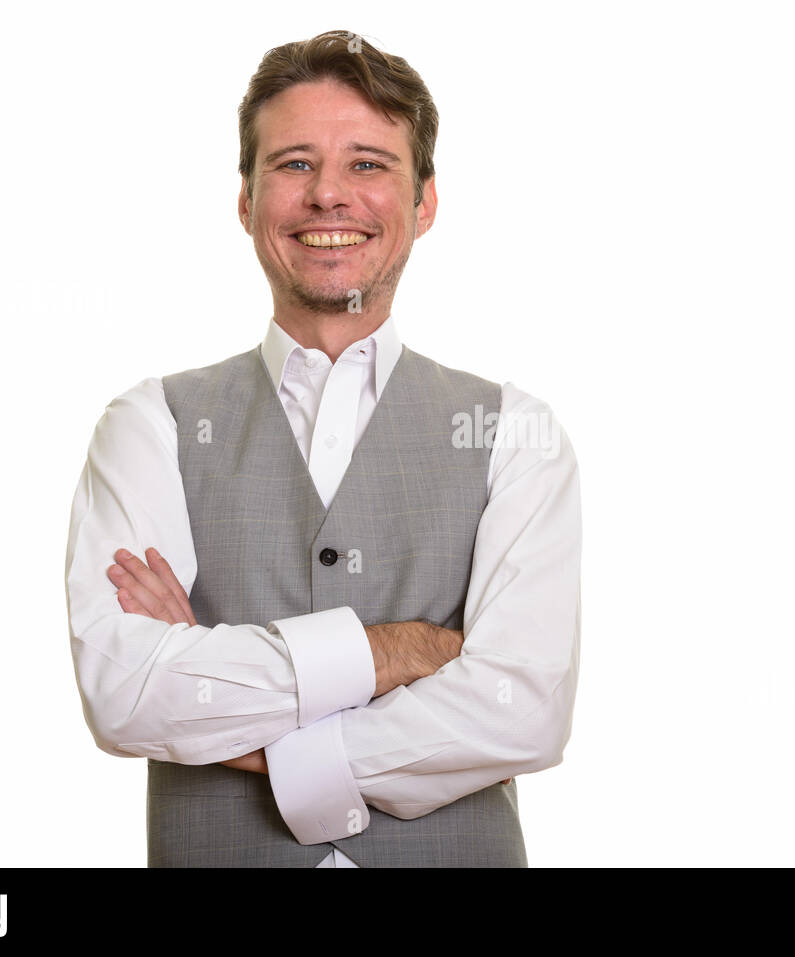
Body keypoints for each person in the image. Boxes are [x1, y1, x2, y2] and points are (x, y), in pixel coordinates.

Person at [63, 30, 582, 867]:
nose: (329, 196)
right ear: (246, 199)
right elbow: (128, 693)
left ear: (425, 203)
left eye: (369, 164)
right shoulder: (148, 423)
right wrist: (397, 652)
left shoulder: (514, 433)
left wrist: (255, 728)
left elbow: (521, 706)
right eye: (295, 164)